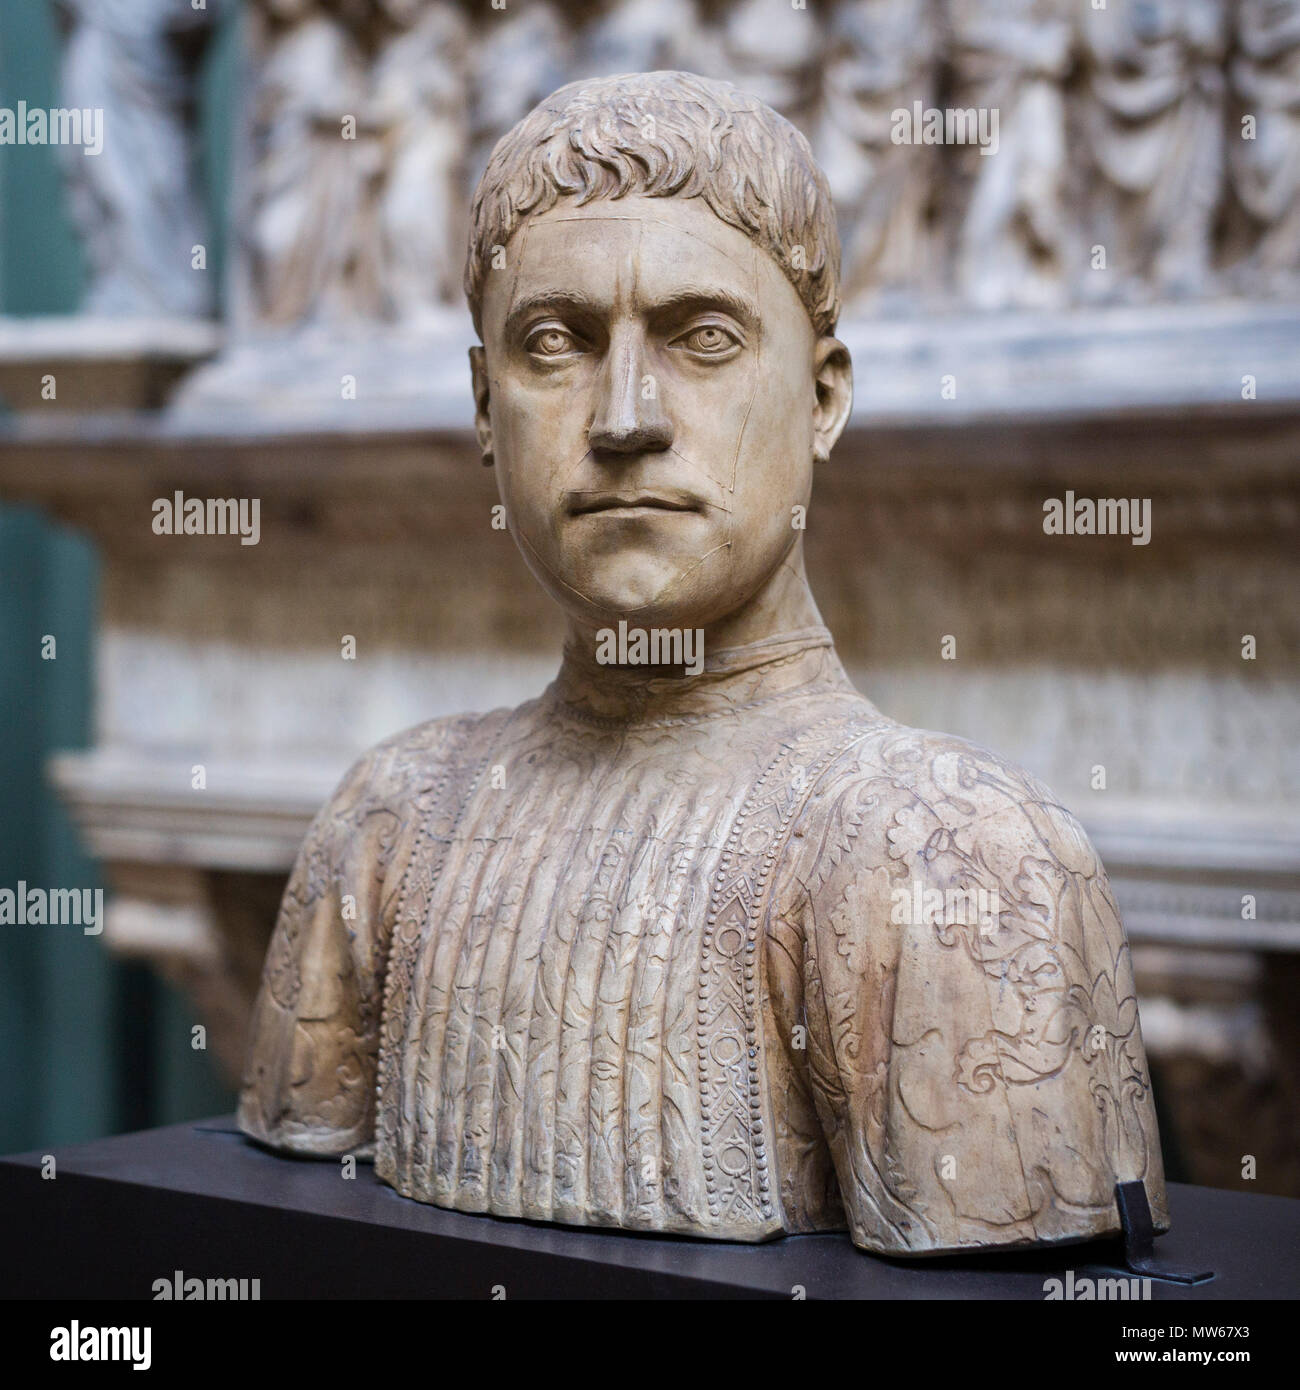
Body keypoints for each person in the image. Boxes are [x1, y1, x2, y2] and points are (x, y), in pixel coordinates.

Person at [238, 70, 1167, 1257]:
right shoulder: (386, 827)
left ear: (823, 396)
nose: (625, 416)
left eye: (703, 338)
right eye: (555, 343)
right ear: (484, 405)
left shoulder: (947, 852)